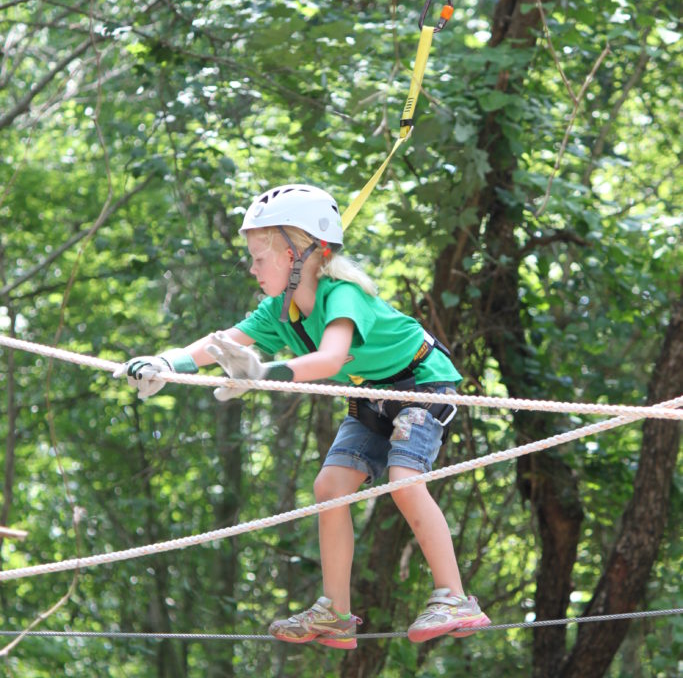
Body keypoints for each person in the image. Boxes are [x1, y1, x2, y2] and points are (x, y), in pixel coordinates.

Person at [116, 184, 490, 649]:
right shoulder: (280, 312)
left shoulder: (342, 296)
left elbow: (331, 359)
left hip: (422, 384)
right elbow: (221, 343)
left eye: (259, 257)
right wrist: (168, 363)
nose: (251, 268)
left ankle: (455, 597)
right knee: (329, 488)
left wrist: (262, 374)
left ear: (300, 256)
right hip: (372, 393)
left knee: (404, 479)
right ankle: (335, 612)